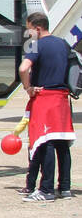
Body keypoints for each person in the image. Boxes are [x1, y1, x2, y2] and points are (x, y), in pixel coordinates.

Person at [19, 12, 74, 202]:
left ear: (37, 28)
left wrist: (28, 88)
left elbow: (23, 68)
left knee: (45, 142)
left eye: (29, 29)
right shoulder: (63, 43)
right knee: (62, 143)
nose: (28, 33)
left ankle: (46, 189)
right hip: (62, 98)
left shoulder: (36, 45)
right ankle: (65, 187)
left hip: (45, 97)